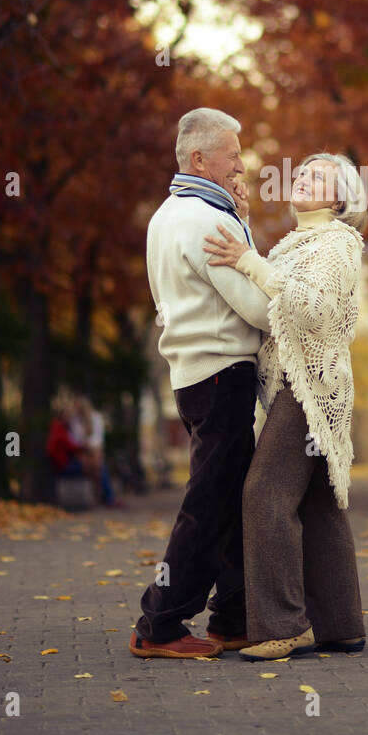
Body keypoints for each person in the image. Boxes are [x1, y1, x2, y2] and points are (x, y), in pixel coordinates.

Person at [202, 152, 368, 661]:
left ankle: (282, 626)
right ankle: (341, 625)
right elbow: (273, 290)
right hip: (293, 384)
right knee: (316, 502)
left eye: (318, 176)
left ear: (339, 198)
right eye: (302, 172)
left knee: (264, 494)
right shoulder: (298, 244)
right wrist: (246, 229)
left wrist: (248, 261)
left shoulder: (338, 243)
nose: (302, 179)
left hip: (310, 388)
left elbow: (313, 308)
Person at [130, 108, 273, 660]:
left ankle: (232, 618)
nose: (242, 163)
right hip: (223, 375)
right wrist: (247, 239)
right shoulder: (212, 221)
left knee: (235, 498)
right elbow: (260, 308)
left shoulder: (166, 215)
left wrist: (242, 222)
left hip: (190, 376)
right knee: (209, 506)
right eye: (233, 153)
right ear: (199, 158)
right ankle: (159, 623)